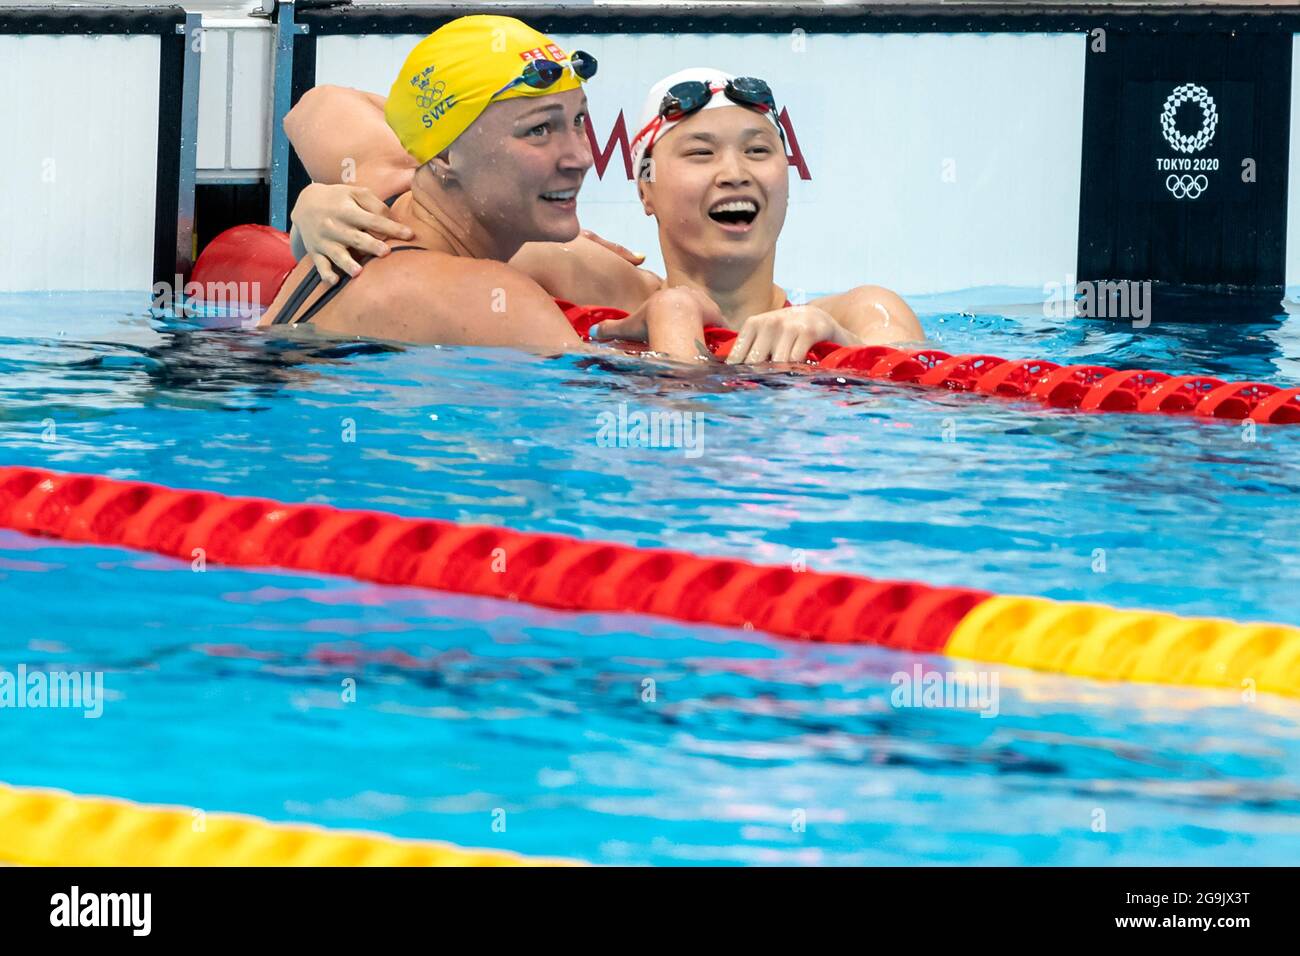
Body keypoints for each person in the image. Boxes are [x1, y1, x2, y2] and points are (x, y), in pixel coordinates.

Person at [283, 59, 922, 362]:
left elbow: (912, 433)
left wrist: (840, 353)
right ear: (644, 189)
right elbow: (325, 112)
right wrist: (320, 207)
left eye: (759, 150)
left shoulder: (863, 312)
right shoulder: (582, 271)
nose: (734, 172)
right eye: (700, 152)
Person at [260, 15, 684, 355]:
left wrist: (308, 208)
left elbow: (314, 107)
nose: (581, 158)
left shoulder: (380, 193)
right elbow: (673, 425)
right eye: (538, 130)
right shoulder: (494, 300)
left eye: (576, 121)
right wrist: (673, 315)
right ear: (444, 157)